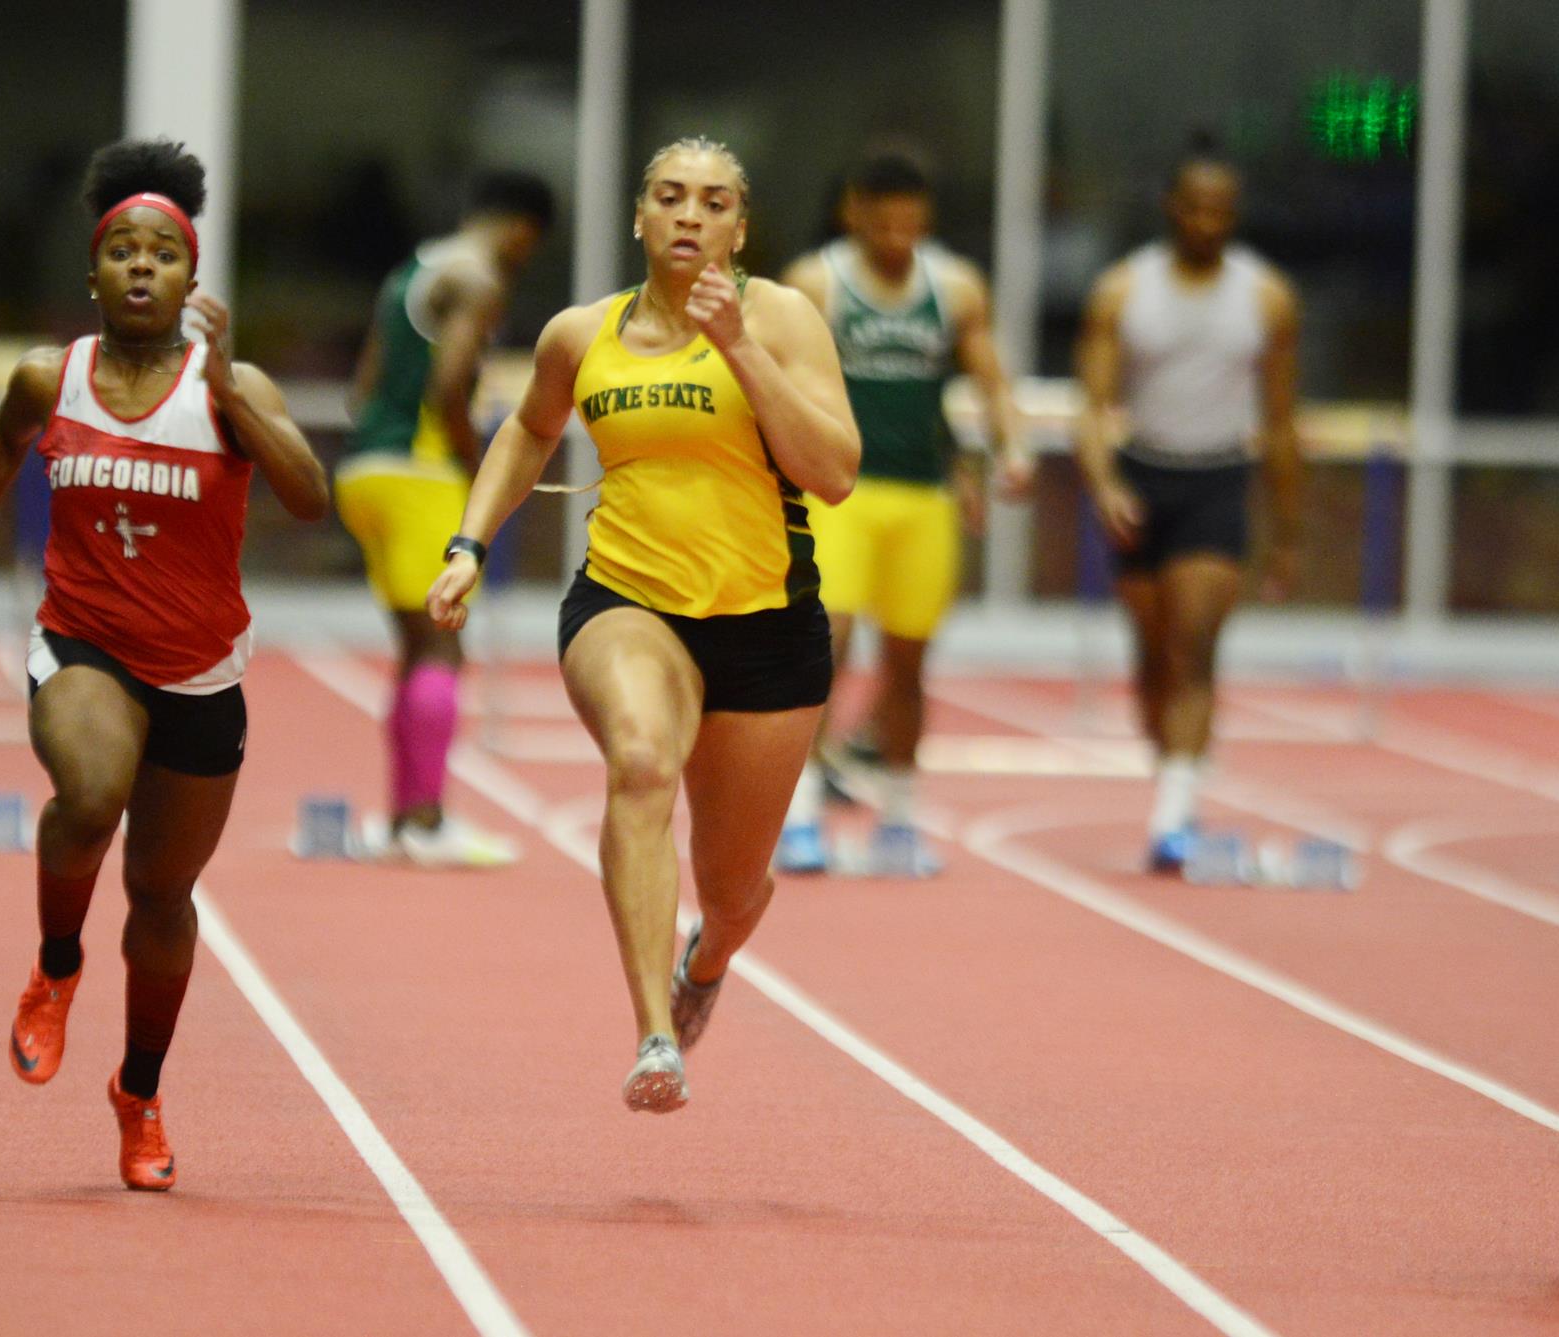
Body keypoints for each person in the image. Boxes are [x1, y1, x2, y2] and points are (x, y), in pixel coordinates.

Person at [0, 139, 326, 1189]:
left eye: (162, 254)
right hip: (84, 639)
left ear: (189, 278)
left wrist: (230, 387)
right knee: (88, 793)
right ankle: (54, 963)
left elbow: (310, 495)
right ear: (93, 277)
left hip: (199, 670)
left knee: (161, 894)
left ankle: (138, 1088)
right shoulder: (54, 375)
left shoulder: (229, 387)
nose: (141, 267)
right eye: (120, 251)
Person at [426, 137, 859, 1111]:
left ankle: (705, 960)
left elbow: (832, 471)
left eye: (712, 203)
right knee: (640, 760)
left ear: (738, 229)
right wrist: (469, 543)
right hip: (626, 598)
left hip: (764, 620)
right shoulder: (581, 333)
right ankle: (652, 1035)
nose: (689, 216)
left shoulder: (782, 317)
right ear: (638, 217)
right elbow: (530, 427)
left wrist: (739, 346)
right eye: (669, 197)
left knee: (736, 887)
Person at [774, 151, 1032, 877]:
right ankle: (799, 812)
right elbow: (778, 383)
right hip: (839, 494)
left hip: (923, 496)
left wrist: (1008, 448)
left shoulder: (953, 288)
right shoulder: (816, 284)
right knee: (825, 645)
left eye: (909, 225)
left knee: (908, 664)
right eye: (881, 223)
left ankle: (899, 814)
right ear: (852, 213)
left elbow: (988, 378)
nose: (895, 238)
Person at [1073, 152, 1303, 872]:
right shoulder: (1121, 290)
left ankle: (1174, 816)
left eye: (1222, 210)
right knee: (1153, 658)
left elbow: (1283, 420)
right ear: (1172, 205)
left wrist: (1288, 532)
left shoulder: (1265, 298)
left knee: (1193, 646)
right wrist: (1104, 480)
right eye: (1196, 207)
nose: (1207, 221)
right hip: (1144, 476)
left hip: (1218, 478)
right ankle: (1170, 768)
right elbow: (1093, 406)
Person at [338, 171, 554, 867]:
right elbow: (450, 378)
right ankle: (427, 822)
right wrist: (475, 460)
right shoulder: (480, 277)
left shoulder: (412, 269)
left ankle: (406, 818)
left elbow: (365, 382)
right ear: (522, 228)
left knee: (412, 651)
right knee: (440, 650)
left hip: (365, 467)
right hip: (420, 472)